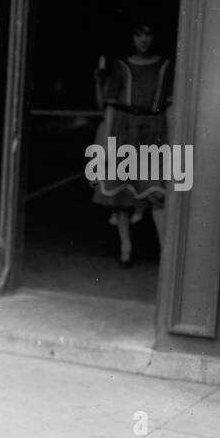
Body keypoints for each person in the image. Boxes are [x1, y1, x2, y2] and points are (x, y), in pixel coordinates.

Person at [91, 21, 173, 267]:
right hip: (124, 129)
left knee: (158, 191)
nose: (143, 39)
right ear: (131, 37)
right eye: (138, 33)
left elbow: (171, 106)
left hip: (154, 127)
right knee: (121, 191)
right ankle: (125, 245)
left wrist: (173, 138)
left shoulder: (166, 66)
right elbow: (110, 106)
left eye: (148, 33)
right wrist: (106, 141)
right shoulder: (121, 66)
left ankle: (165, 251)